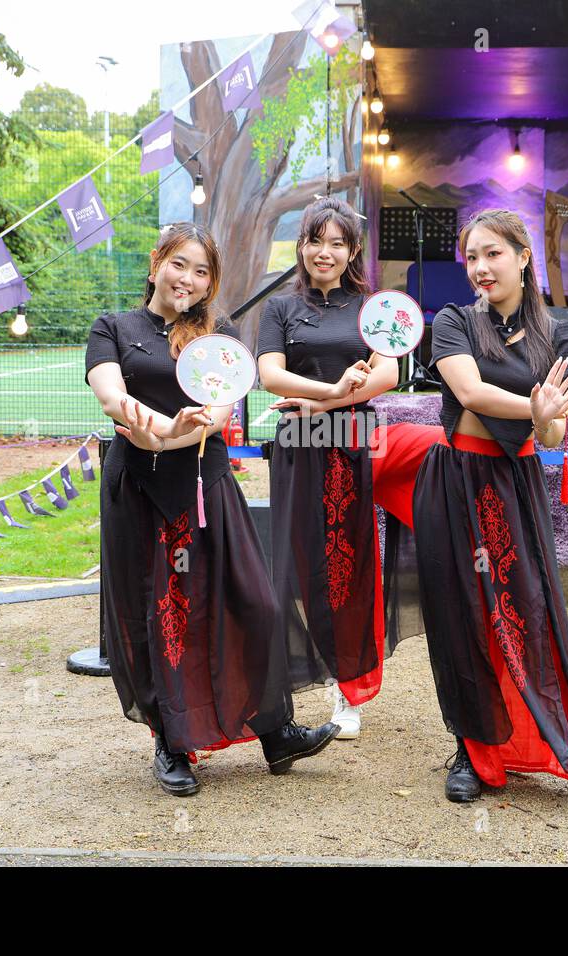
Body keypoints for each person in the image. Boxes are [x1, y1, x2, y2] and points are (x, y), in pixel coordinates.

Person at [371, 209, 568, 803]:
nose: (481, 268)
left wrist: (552, 417)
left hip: (517, 485)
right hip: (457, 479)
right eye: (472, 258)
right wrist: (540, 408)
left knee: (535, 615)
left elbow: (554, 436)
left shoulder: (561, 329)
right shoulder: (456, 321)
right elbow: (470, 393)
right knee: (463, 618)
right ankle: (471, 750)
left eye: (493, 254)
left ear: (523, 256)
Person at [85, 222, 340, 797]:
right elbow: (112, 399)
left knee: (253, 602)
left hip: (205, 485)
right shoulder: (114, 329)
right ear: (156, 264)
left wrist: (174, 436)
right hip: (140, 493)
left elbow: (220, 416)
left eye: (202, 272)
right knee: (162, 615)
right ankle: (171, 742)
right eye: (180, 265)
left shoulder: (218, 336)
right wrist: (158, 431)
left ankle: (274, 731)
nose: (190, 279)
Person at [256, 197, 403, 740]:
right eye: (316, 241)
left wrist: (326, 406)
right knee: (296, 567)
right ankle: (284, 691)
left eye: (337, 243)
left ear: (353, 250)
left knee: (348, 565)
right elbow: (270, 375)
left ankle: (348, 690)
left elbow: (386, 375)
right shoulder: (280, 308)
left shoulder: (371, 306)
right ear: (301, 247)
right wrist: (332, 391)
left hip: (351, 442)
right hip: (297, 441)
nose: (325, 252)